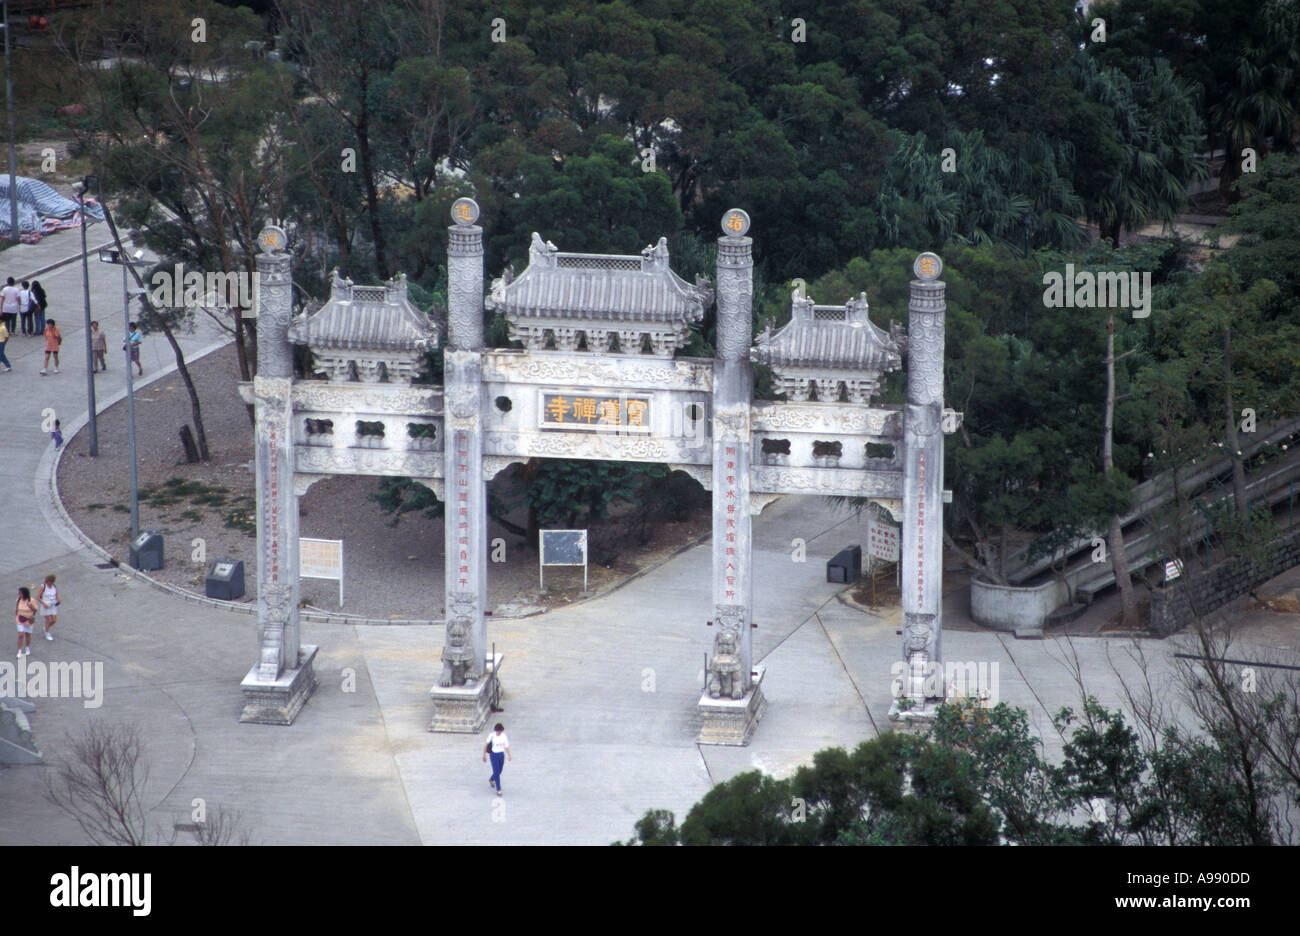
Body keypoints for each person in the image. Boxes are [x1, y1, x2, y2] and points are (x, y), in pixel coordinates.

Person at [482, 722, 511, 796]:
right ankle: (499, 789)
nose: (499, 732)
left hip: (501, 754)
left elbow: (506, 746)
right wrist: (484, 755)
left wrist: (509, 755)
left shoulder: (504, 736)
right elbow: (486, 745)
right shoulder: (491, 736)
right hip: (494, 755)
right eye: (498, 731)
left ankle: (491, 779)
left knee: (500, 771)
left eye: (500, 731)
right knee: (497, 772)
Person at [15, 586, 38, 657]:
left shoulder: (31, 600)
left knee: (28, 634)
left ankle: (27, 647)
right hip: (20, 619)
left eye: (20, 593)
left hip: (29, 620)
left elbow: (36, 609)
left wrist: (30, 606)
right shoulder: (18, 600)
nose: (19, 594)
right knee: (20, 635)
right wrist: (18, 614)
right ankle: (19, 651)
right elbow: (16, 609)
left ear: (25, 594)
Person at [36, 574, 59, 641]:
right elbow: (38, 597)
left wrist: (59, 599)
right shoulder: (43, 586)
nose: (48, 583)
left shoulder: (54, 586)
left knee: (54, 620)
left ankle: (46, 628)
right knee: (48, 620)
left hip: (53, 605)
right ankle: (47, 633)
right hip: (46, 605)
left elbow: (57, 594)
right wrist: (43, 603)